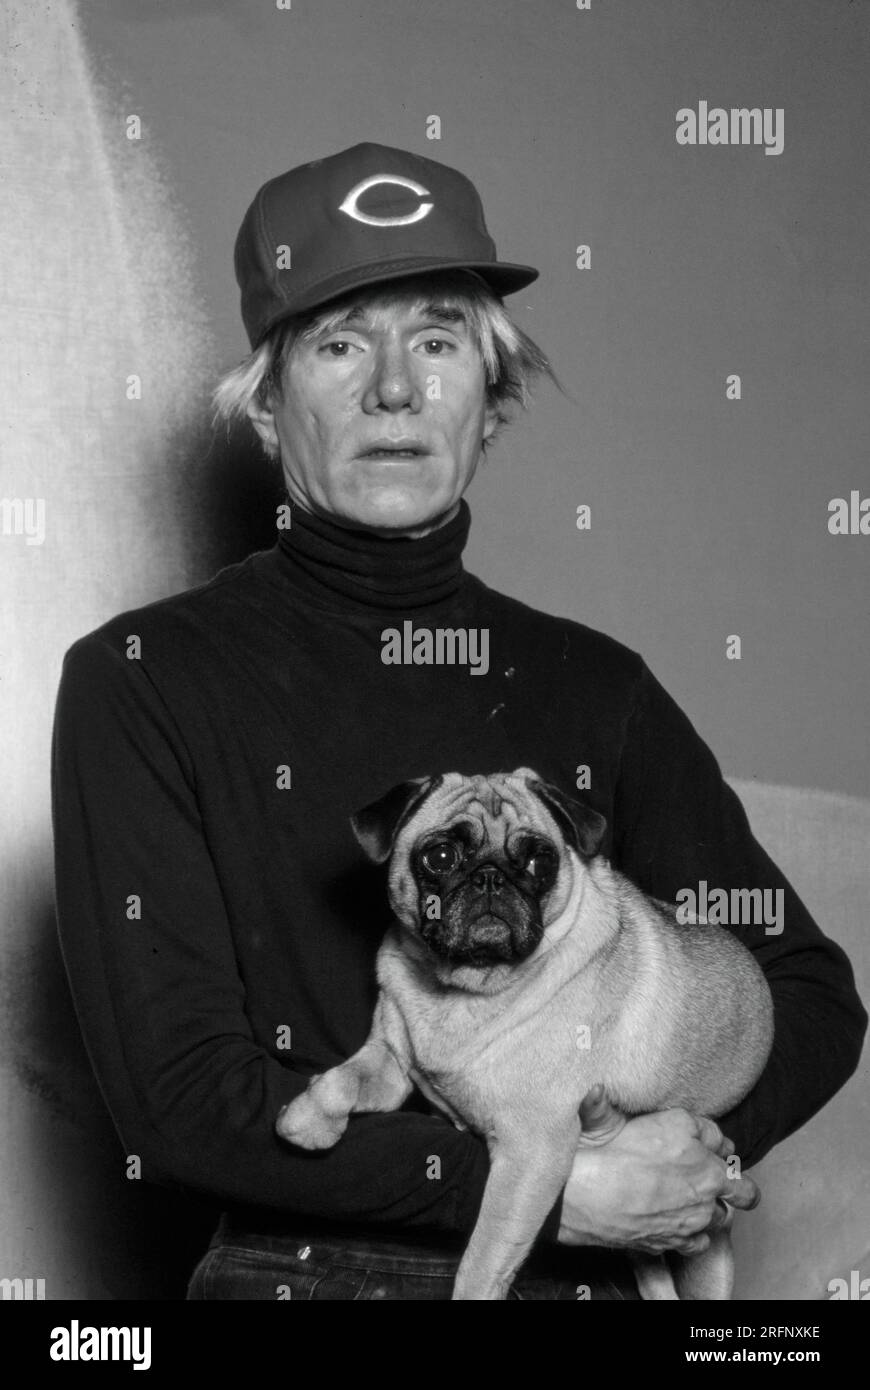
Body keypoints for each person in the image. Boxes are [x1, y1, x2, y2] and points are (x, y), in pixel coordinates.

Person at [51, 142, 866, 1301]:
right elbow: (179, 1105)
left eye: (435, 341)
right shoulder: (141, 679)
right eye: (339, 344)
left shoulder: (599, 685)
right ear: (269, 407)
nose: (394, 388)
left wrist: (682, 1158)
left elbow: (812, 997)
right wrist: (543, 1186)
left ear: (493, 396)